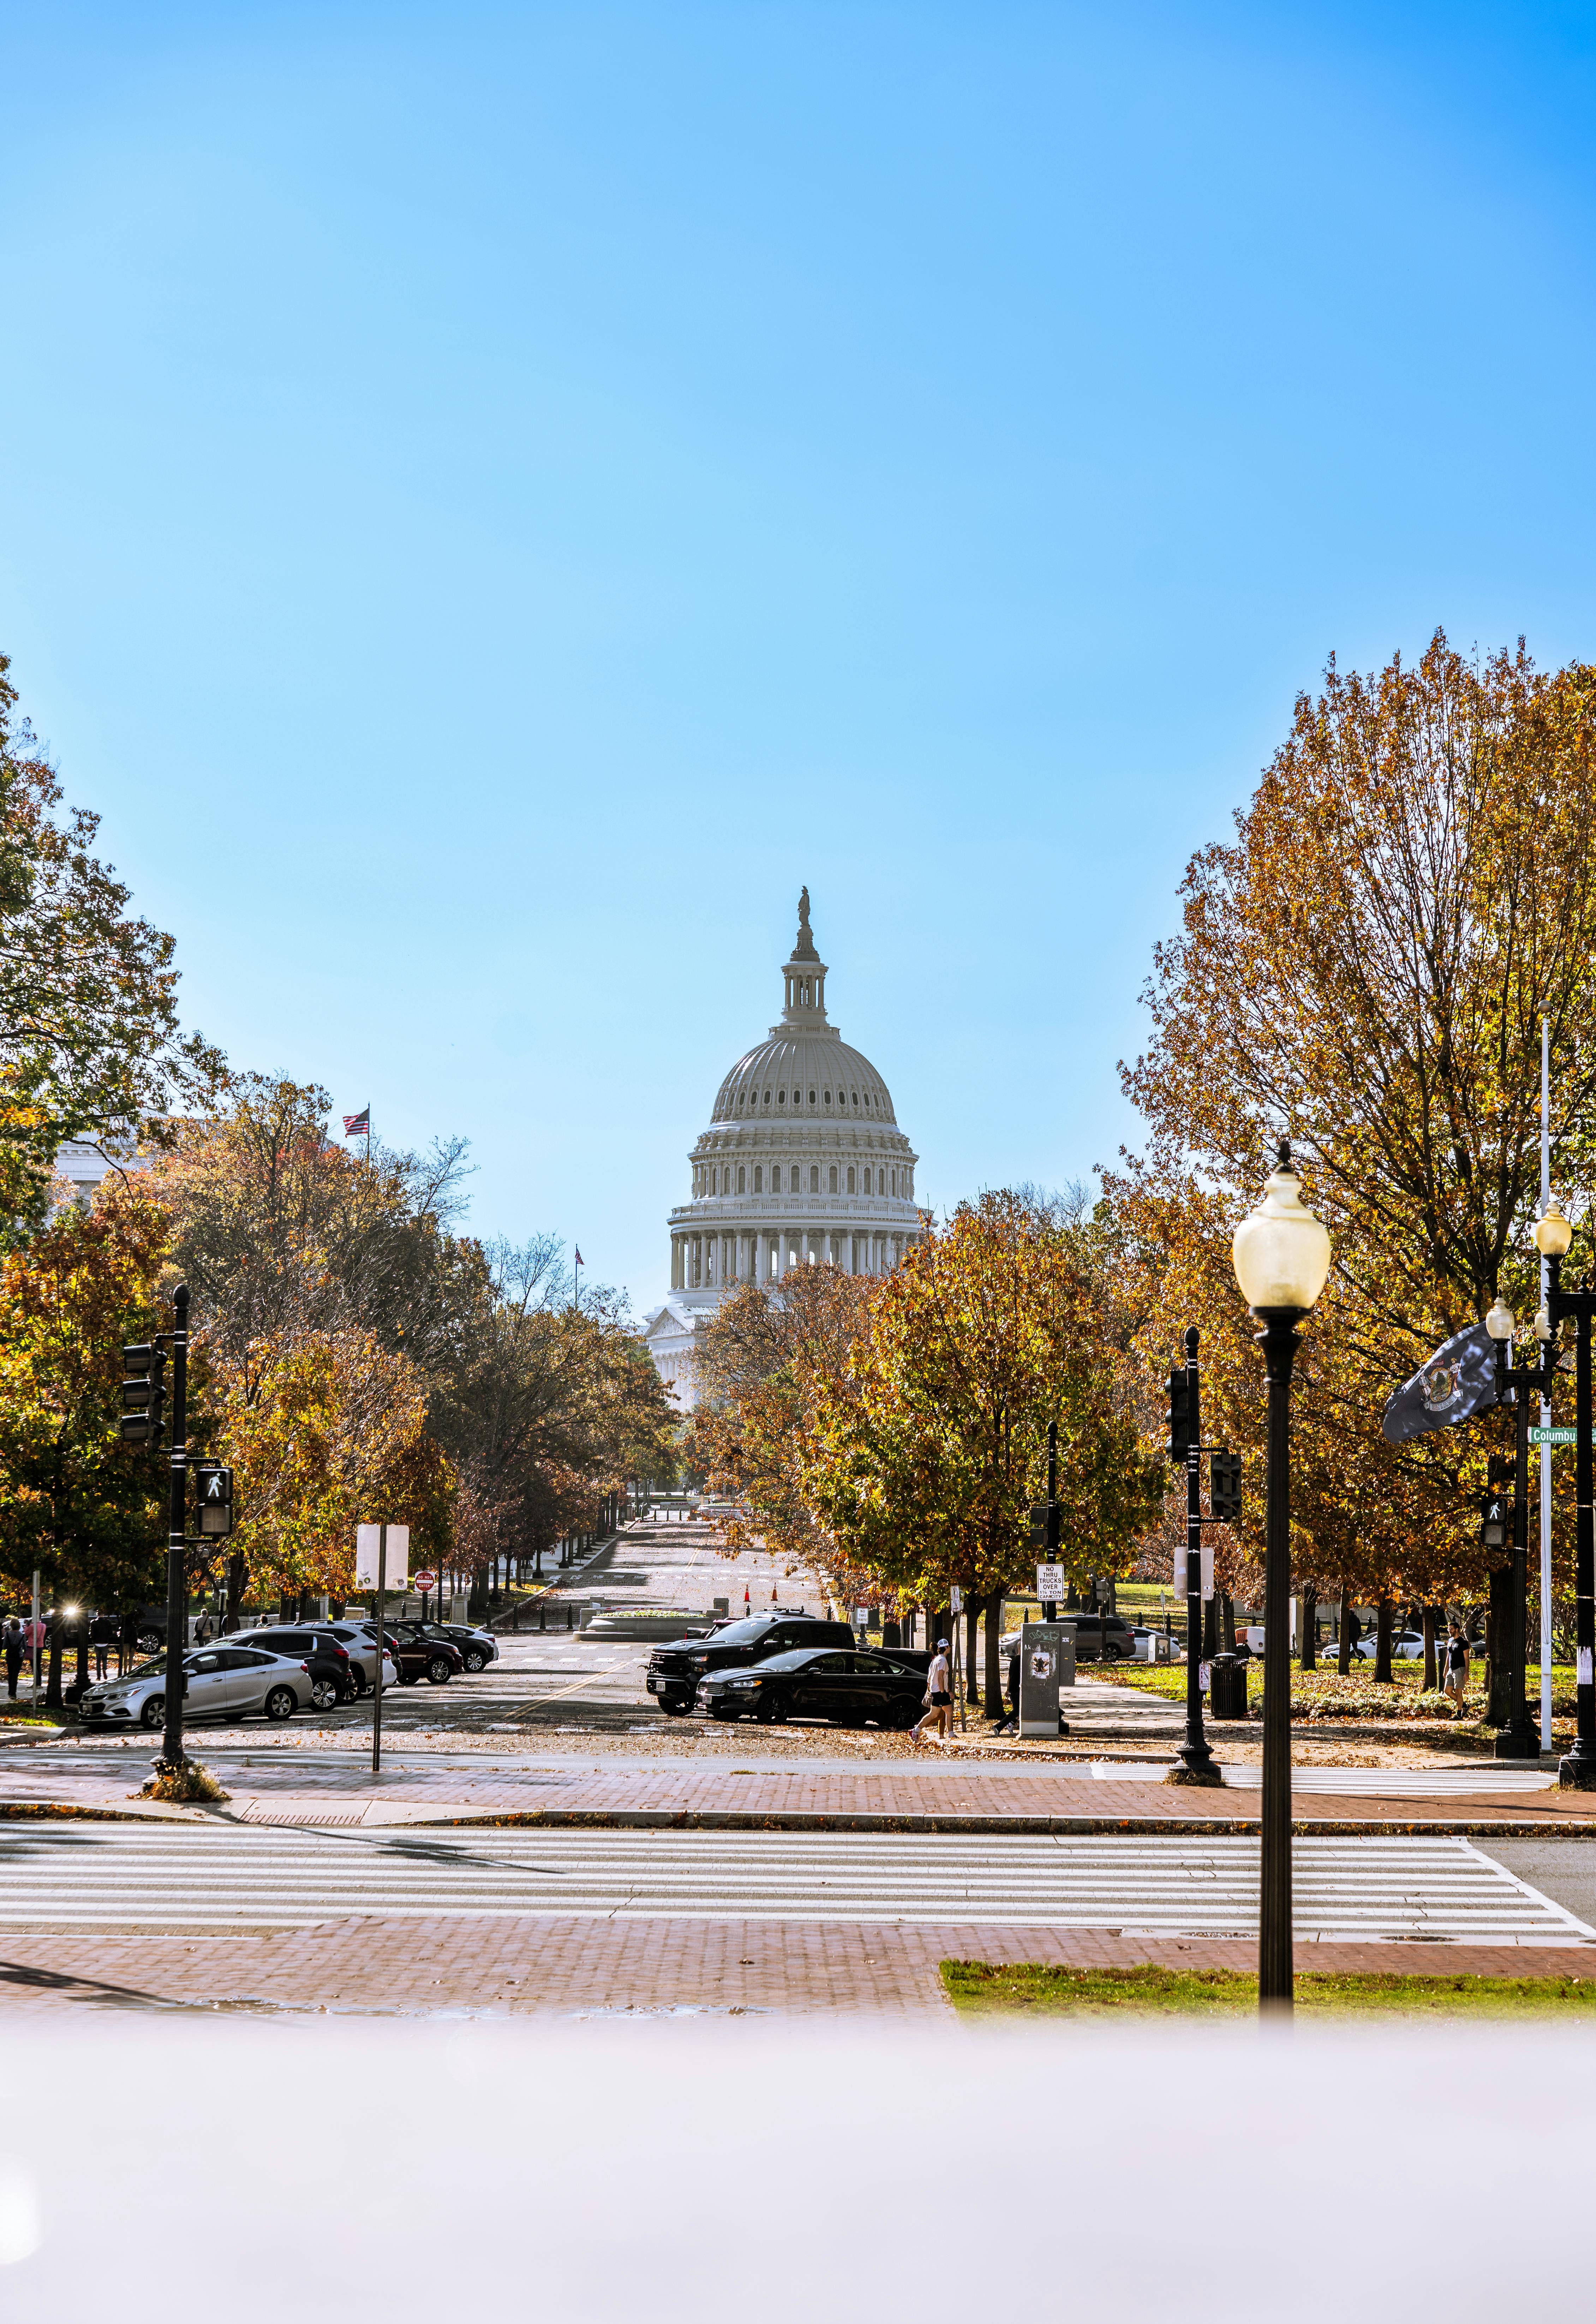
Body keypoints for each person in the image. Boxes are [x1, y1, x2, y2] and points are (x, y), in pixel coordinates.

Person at [913, 1638, 954, 1745]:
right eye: (949, 1646)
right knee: (937, 1714)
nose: (950, 1648)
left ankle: (951, 1734)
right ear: (946, 1648)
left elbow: (937, 1677)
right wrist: (943, 1691)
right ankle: (917, 1730)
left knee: (946, 1712)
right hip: (939, 1692)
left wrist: (948, 1691)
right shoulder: (943, 1660)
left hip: (937, 1691)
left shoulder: (937, 1659)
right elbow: (941, 1676)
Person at [992, 1643, 1021, 1736]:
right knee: (1017, 1711)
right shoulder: (1020, 1661)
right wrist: (1009, 1689)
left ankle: (1010, 1724)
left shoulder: (1014, 1661)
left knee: (1020, 1710)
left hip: (1014, 1689)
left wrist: (1008, 1689)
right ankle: (999, 1727)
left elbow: (1010, 1676)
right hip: (1016, 1690)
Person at [1442, 1619, 1470, 1714]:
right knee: (1447, 1691)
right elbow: (1448, 1656)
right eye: (1449, 1629)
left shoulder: (1463, 1642)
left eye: (1452, 1629)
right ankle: (1465, 1706)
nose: (1450, 1631)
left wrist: (1467, 1672)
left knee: (1458, 1692)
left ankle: (1459, 1714)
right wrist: (1446, 1670)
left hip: (1460, 1669)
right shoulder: (1450, 1641)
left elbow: (1467, 1659)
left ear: (1457, 1630)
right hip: (1451, 1669)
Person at [4, 1618, 22, 1702]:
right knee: (16, 1675)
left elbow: (4, 1646)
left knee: (10, 1674)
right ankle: (13, 1693)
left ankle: (10, 1691)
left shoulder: (7, 1634)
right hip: (18, 1657)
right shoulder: (22, 1635)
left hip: (10, 1656)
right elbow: (25, 1647)